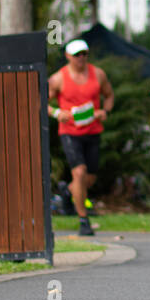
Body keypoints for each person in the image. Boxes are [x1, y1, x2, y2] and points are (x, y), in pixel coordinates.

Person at [48, 38, 115, 237]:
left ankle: (68, 192)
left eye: (84, 54)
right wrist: (56, 113)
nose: (81, 58)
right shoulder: (58, 78)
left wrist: (105, 111)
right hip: (70, 132)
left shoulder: (98, 74)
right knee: (79, 172)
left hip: (93, 131)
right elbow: (39, 100)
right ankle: (83, 220)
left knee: (90, 178)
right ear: (68, 56)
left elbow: (109, 95)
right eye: (77, 55)